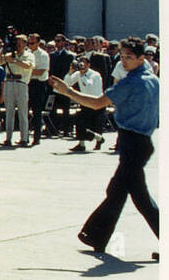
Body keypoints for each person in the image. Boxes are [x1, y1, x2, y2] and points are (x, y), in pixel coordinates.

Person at [50, 37, 159, 256]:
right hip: (141, 142)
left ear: (140, 58)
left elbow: (97, 103)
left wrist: (67, 91)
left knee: (140, 198)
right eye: (123, 56)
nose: (124, 61)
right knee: (118, 191)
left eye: (129, 57)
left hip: (132, 142)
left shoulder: (130, 83)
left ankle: (96, 235)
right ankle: (96, 236)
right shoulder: (153, 79)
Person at [62, 56, 104, 152]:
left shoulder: (95, 75)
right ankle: (82, 144)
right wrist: (70, 72)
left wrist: (81, 75)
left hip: (96, 103)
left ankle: (98, 139)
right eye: (80, 63)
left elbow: (88, 85)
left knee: (93, 126)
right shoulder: (78, 74)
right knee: (79, 122)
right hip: (85, 102)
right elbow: (67, 83)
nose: (82, 65)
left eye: (84, 63)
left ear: (89, 65)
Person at [1, 34, 34, 147]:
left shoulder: (29, 55)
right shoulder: (10, 54)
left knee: (22, 112)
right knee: (9, 112)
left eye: (21, 43)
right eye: (17, 43)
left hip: (21, 83)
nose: (18, 45)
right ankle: (8, 138)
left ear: (25, 44)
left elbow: (27, 66)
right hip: (9, 83)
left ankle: (24, 138)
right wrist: (4, 49)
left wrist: (14, 60)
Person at [27, 33, 51, 145]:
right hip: (27, 83)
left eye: (32, 43)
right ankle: (24, 136)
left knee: (37, 112)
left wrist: (26, 70)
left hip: (38, 84)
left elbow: (41, 71)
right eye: (28, 43)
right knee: (24, 111)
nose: (29, 45)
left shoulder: (43, 55)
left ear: (38, 43)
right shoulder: (26, 53)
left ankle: (36, 137)